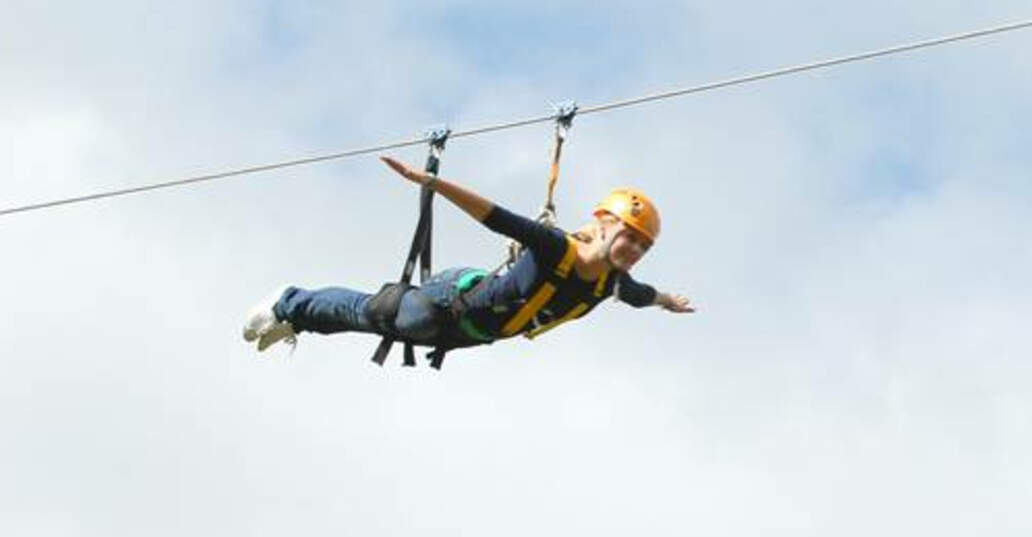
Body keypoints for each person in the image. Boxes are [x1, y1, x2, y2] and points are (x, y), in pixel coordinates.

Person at [242, 156, 694, 355]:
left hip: (472, 334)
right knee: (385, 317)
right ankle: (290, 301)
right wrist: (433, 183)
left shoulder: (611, 283)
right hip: (451, 300)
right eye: (631, 237)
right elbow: (495, 216)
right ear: (606, 225)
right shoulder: (556, 248)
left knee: (393, 332)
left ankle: (297, 318)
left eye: (643, 246)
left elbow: (641, 295)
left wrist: (667, 301)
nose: (634, 250)